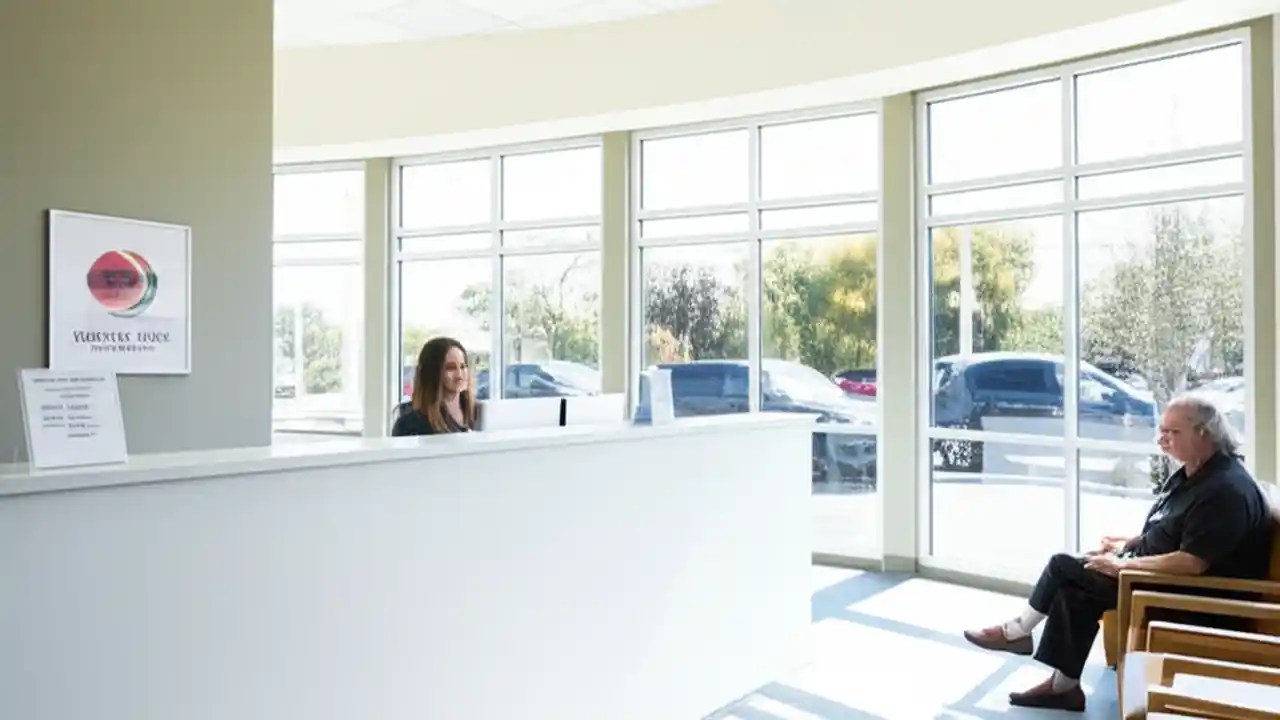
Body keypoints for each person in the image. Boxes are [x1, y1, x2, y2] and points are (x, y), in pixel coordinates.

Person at [962, 393, 1274, 712]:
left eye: (1172, 432)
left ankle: (1017, 632)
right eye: (1161, 430)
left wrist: (1123, 567)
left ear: (1204, 433)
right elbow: (1173, 527)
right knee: (1075, 589)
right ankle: (1063, 688)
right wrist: (1128, 544)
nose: (1161, 439)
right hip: (1159, 577)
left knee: (1063, 565)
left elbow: (1192, 562)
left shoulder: (1225, 491)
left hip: (1193, 598)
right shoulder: (1196, 472)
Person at [391, 337, 476, 436]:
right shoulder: (410, 423)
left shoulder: (479, 412)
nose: (459, 374)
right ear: (432, 373)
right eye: (450, 368)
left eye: (463, 366)